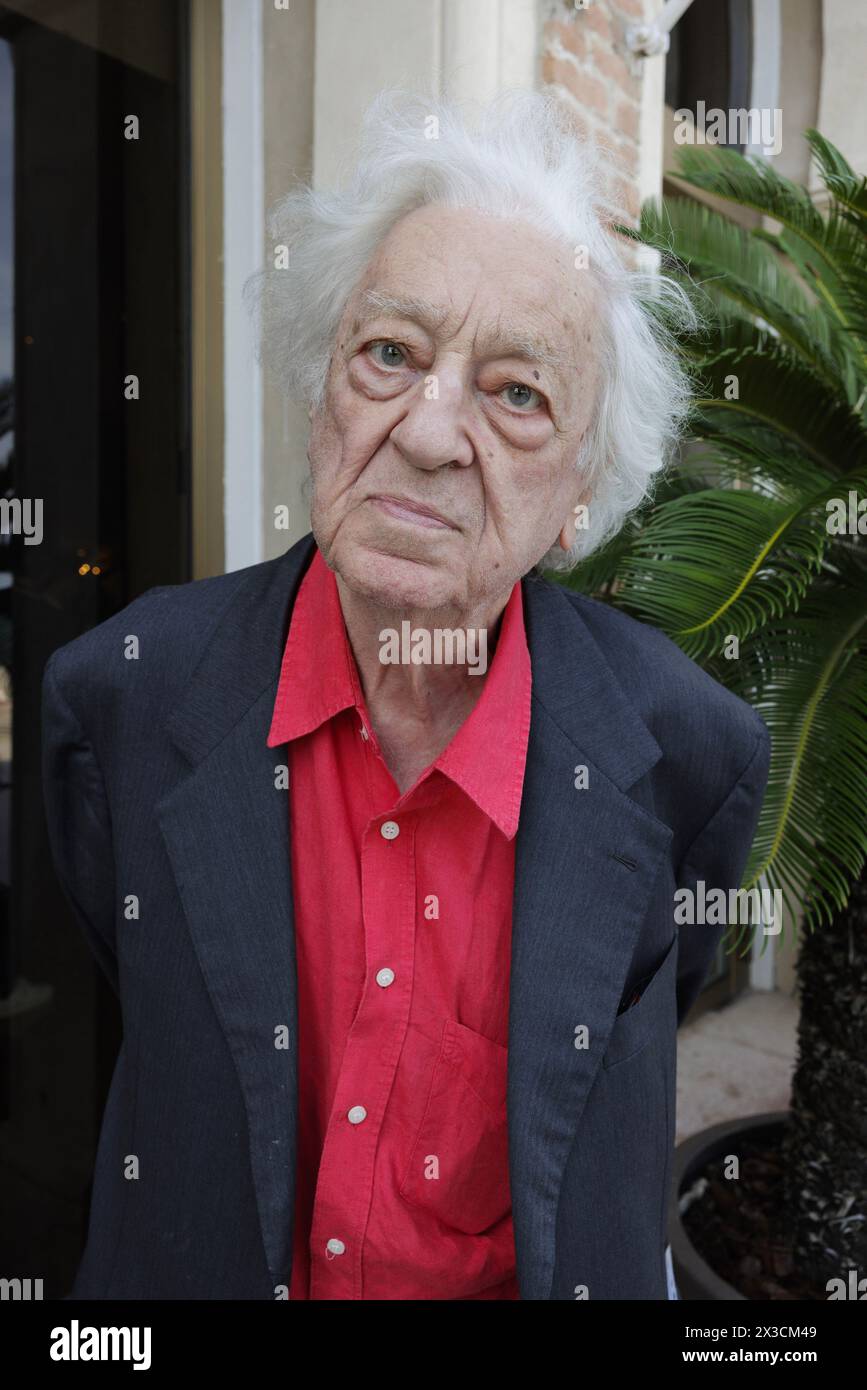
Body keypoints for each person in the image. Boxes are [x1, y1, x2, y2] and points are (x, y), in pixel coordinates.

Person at [42, 90, 770, 1300]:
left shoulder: (690, 751)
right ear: (322, 387)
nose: (430, 433)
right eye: (391, 353)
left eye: (516, 393)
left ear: (581, 497)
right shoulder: (120, 696)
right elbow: (149, 993)